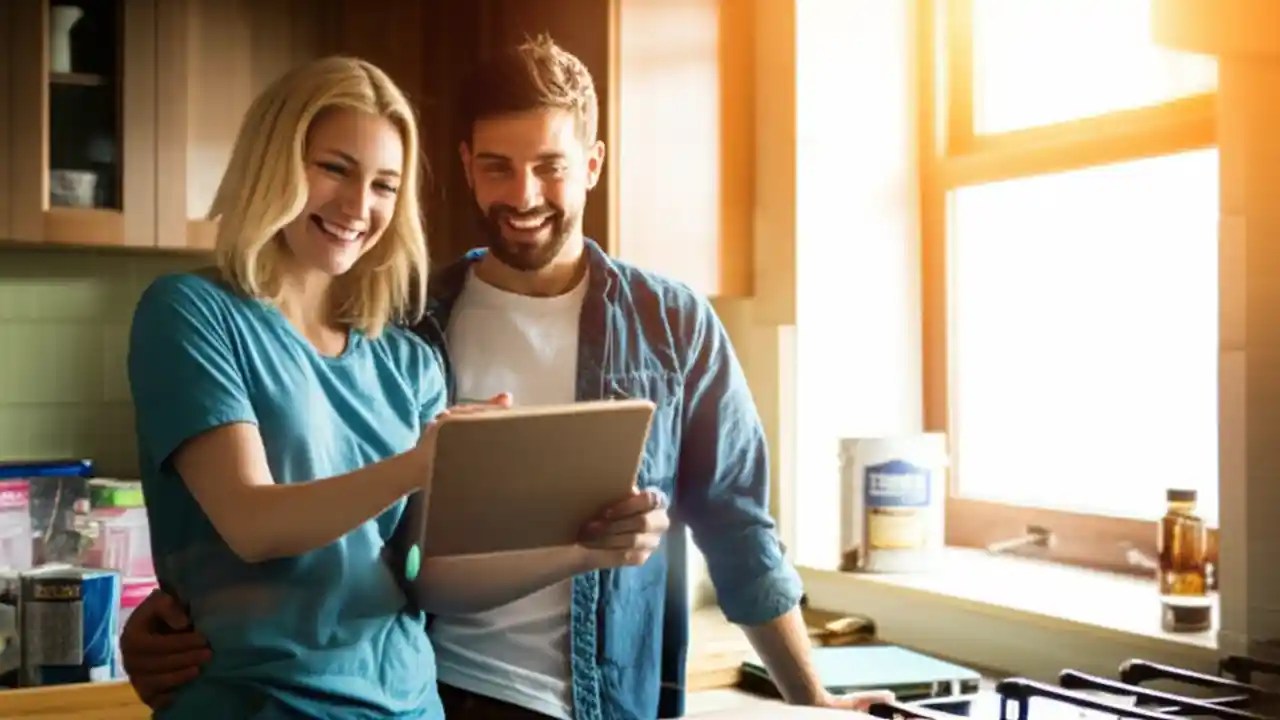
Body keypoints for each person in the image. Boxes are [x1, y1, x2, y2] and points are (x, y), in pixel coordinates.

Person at [120, 37, 892, 720]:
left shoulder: (669, 325)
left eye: (550, 168)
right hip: (444, 688)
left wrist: (813, 698)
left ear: (591, 164)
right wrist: (191, 595)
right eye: (497, 167)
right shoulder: (418, 319)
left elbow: (734, 521)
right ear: (465, 167)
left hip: (569, 696)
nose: (522, 195)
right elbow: (277, 527)